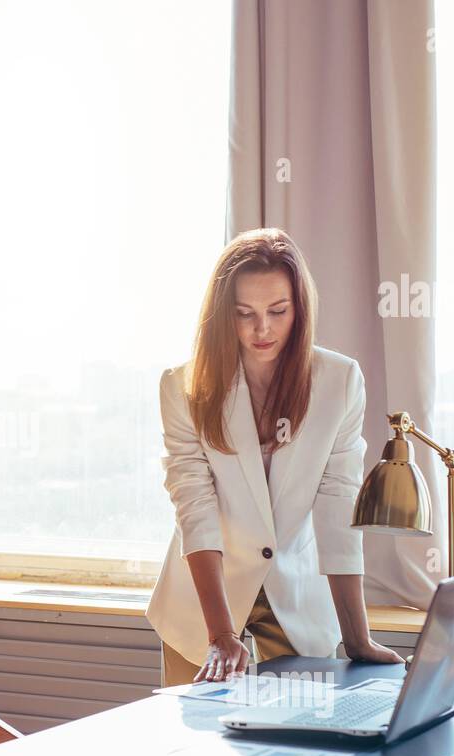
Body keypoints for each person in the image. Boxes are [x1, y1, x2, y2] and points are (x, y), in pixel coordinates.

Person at [144, 227, 403, 687]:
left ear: (299, 309)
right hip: (204, 599)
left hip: (296, 594)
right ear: (222, 316)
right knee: (197, 727)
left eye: (277, 311)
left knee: (304, 724)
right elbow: (195, 506)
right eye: (244, 314)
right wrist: (220, 634)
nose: (261, 329)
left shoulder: (340, 382)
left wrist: (357, 638)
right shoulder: (182, 388)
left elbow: (338, 505)